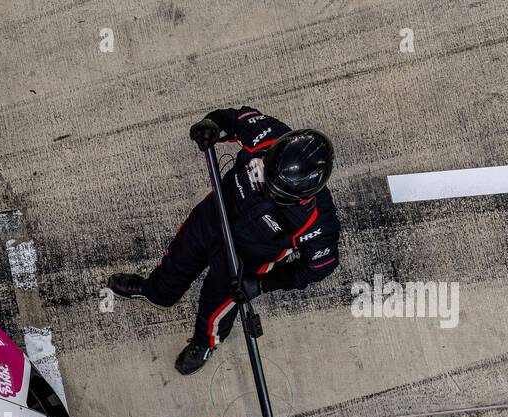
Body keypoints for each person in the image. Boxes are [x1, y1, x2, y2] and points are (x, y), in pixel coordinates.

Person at [108, 107, 339, 375]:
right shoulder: (269, 134)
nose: (265, 184)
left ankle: (205, 343)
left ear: (307, 194)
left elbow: (321, 267)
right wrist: (211, 125)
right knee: (175, 262)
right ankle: (156, 293)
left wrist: (262, 284)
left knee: (215, 306)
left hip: (243, 262)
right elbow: (232, 119)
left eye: (275, 190)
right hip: (211, 216)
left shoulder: (319, 222)